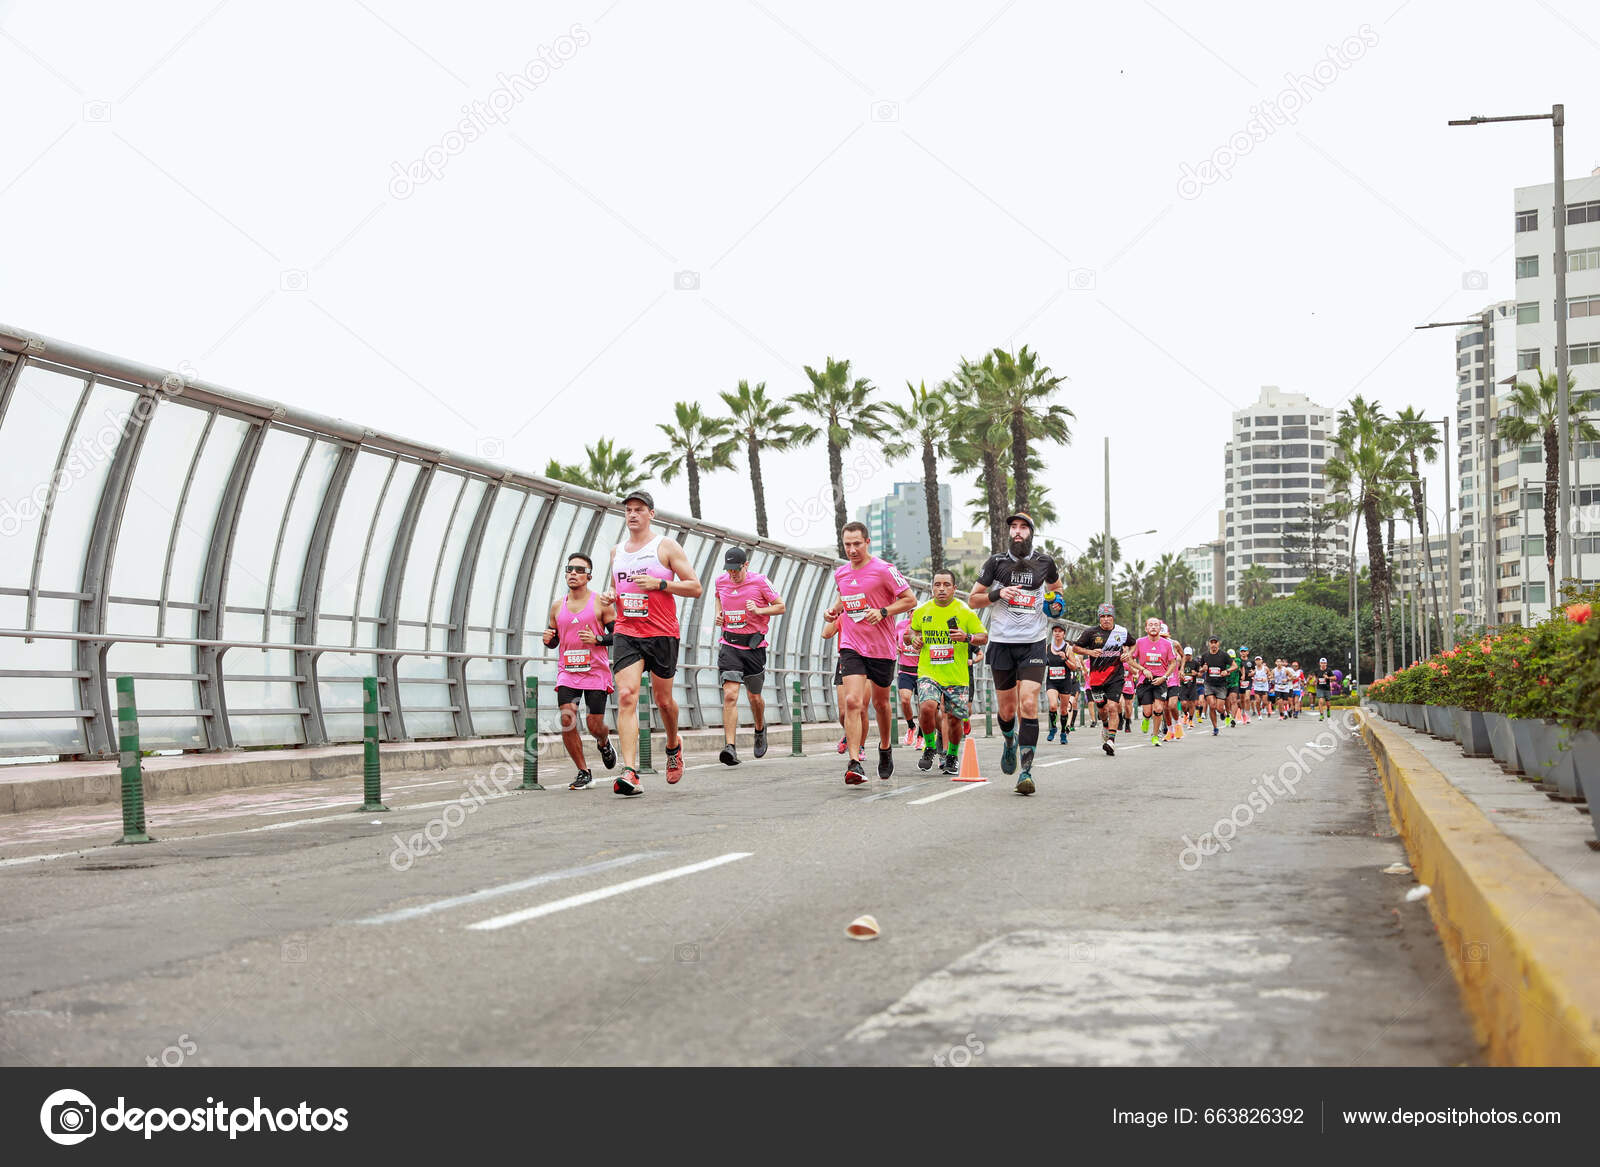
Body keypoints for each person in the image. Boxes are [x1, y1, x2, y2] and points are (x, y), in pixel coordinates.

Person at [600, 489, 702, 796]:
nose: (632, 514)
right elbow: (618, 588)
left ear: (651, 514)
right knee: (628, 695)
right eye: (628, 510)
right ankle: (631, 771)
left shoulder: (666, 546)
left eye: (639, 509)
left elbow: (695, 586)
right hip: (628, 633)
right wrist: (609, 596)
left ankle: (673, 744)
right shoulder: (617, 552)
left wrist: (661, 584)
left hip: (661, 633)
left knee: (664, 702)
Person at [968, 512, 1061, 794]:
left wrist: (1055, 605)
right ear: (1009, 533)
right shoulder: (996, 563)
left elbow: (1056, 591)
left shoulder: (1045, 562)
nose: (1017, 532)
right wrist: (999, 594)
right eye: (1014, 528)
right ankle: (1009, 741)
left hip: (1033, 642)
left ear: (1031, 533)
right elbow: (973, 600)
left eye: (1023, 527)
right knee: (1007, 710)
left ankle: (1026, 772)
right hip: (1002, 643)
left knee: (1029, 704)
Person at [824, 521, 916, 785]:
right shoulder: (841, 573)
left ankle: (885, 747)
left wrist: (884, 611)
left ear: (867, 542)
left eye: (856, 544)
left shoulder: (885, 570)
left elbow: (910, 599)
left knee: (880, 704)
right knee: (853, 701)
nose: (852, 550)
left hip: (881, 647)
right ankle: (854, 762)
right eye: (847, 545)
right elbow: (845, 598)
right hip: (851, 645)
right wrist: (834, 610)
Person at [542, 552, 617, 789]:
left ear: (589, 576)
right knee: (567, 717)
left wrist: (597, 639)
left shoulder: (600, 604)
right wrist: (548, 640)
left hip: (595, 672)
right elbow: (554, 639)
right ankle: (583, 771)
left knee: (595, 724)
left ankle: (604, 742)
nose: (573, 573)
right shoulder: (557, 606)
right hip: (569, 672)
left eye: (579, 570)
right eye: (570, 569)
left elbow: (618, 635)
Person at [907, 569, 988, 778]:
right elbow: (912, 632)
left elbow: (983, 637)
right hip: (928, 671)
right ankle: (930, 746)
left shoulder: (965, 612)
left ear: (954, 588)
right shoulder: (922, 611)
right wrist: (914, 639)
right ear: (932, 587)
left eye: (946, 585)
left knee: (954, 720)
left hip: (956, 675)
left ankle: (951, 755)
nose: (941, 589)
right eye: (937, 585)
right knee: (927, 707)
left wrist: (966, 637)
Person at [711, 547, 785, 766]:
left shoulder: (760, 581)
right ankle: (730, 747)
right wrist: (718, 613)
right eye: (729, 570)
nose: (732, 574)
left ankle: (760, 728)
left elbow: (781, 606)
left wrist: (760, 611)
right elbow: (718, 598)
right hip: (729, 645)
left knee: (754, 697)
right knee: (730, 695)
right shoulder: (721, 581)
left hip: (753, 647)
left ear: (746, 565)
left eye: (736, 569)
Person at [1069, 602, 1136, 756]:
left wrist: (1129, 653)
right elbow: (1075, 648)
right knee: (1102, 709)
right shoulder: (1091, 632)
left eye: (1109, 616)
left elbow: (1133, 644)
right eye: (1103, 616)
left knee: (1113, 707)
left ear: (1113, 617)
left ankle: (1111, 741)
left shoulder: (1122, 631)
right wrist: (1089, 652)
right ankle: (1105, 725)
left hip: (1115, 677)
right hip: (1097, 679)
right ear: (1099, 617)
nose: (1106, 619)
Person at [1132, 617, 1179, 748]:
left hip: (1160, 681)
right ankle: (1146, 719)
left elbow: (1173, 663)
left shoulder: (1167, 644)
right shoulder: (1140, 642)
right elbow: (1130, 659)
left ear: (1160, 628)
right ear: (1146, 628)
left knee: (1158, 708)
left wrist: (1164, 677)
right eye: (1150, 625)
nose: (1153, 627)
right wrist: (1142, 669)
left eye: (1156, 625)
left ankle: (1155, 736)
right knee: (1148, 711)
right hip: (1144, 680)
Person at [1195, 636, 1231, 736]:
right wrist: (1203, 669)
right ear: (1209, 644)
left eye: (1215, 642)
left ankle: (1223, 712)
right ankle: (1215, 727)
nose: (1214, 644)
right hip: (1209, 684)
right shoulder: (1205, 655)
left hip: (1221, 685)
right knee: (1212, 706)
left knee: (1219, 708)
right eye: (1212, 642)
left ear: (1218, 643)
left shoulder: (1224, 655)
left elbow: (1235, 666)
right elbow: (1200, 670)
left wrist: (1227, 671)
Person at [894, 612, 920, 746]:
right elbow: (892, 641)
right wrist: (896, 648)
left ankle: (922, 735)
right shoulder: (900, 626)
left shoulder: (925, 626)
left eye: (915, 610)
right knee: (905, 700)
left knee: (924, 706)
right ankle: (911, 726)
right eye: (910, 610)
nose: (912, 613)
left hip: (922, 672)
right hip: (905, 670)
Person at [1044, 624, 1073, 742]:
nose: (1057, 633)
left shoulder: (1068, 648)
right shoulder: (1047, 648)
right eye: (1055, 631)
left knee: (1064, 710)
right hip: (1052, 681)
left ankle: (1063, 733)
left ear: (1064, 634)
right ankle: (1053, 728)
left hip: (1065, 682)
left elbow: (1074, 667)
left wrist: (1065, 658)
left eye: (1060, 631)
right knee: (1052, 705)